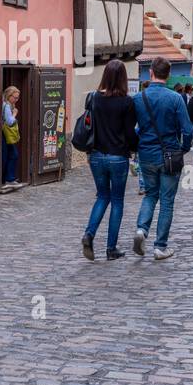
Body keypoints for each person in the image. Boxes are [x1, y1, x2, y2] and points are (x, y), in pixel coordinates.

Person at [133, 56, 193, 260]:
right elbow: (187, 129)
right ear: (168, 75)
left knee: (150, 194)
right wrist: (182, 149)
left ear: (151, 72)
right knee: (167, 201)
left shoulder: (139, 98)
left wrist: (137, 147)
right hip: (169, 155)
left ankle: (141, 230)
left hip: (146, 154)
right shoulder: (175, 98)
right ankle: (160, 247)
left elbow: (132, 129)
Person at [81, 59, 139, 261]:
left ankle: (89, 234)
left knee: (102, 196)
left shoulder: (95, 98)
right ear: (123, 78)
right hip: (117, 156)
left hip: (96, 155)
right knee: (117, 201)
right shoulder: (126, 102)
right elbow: (130, 133)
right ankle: (111, 248)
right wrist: (135, 148)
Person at [1, 85, 22, 190]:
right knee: (13, 154)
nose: (16, 100)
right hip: (5, 135)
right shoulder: (6, 106)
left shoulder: (6, 104)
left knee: (9, 155)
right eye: (15, 97)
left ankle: (8, 179)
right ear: (9, 96)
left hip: (4, 135)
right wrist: (14, 114)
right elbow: (9, 122)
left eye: (18, 98)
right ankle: (9, 179)